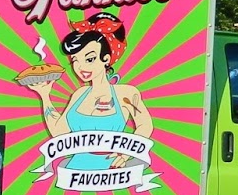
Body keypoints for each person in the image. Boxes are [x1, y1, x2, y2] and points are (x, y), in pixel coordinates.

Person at [26, 12, 152, 171]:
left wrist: (125, 154)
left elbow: (145, 124)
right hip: (75, 173)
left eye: (90, 59)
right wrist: (45, 96)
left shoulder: (126, 94)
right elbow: (59, 133)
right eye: (75, 60)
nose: (81, 67)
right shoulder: (79, 94)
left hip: (113, 173)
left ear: (105, 59)